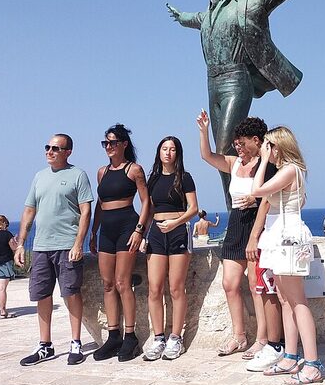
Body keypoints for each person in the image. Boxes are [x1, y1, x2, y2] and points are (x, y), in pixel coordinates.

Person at [167, 0, 325, 209]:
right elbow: (195, 19)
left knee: (226, 147)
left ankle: (248, 204)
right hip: (212, 82)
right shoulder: (212, 11)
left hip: (236, 79)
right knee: (223, 152)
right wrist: (181, 17)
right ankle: (237, 209)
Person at [197, 110, 285, 370]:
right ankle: (239, 336)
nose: (238, 147)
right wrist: (203, 130)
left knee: (256, 284)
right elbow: (207, 156)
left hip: (257, 225)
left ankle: (262, 339)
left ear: (256, 141)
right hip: (236, 223)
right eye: (236, 143)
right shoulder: (234, 163)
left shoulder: (268, 166)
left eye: (242, 143)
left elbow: (268, 199)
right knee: (230, 283)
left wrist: (255, 205)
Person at [15, 133, 93, 366]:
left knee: (71, 293)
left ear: (68, 152)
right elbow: (29, 210)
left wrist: (78, 243)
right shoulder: (39, 176)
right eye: (47, 147)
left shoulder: (78, 175)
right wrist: (21, 243)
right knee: (41, 294)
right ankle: (45, 345)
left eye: (55, 148)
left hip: (67, 245)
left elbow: (85, 211)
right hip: (41, 246)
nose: (49, 151)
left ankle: (75, 343)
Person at [253, 126, 323, 385]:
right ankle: (291, 356)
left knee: (297, 301)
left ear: (278, 146)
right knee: (285, 300)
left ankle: (313, 364)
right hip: (278, 235)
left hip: (287, 237)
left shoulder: (290, 170)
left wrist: (262, 161)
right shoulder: (287, 171)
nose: (265, 150)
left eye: (268, 145)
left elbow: (256, 191)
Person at [89, 124, 149, 362]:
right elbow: (100, 204)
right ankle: (113, 336)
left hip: (127, 227)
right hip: (106, 230)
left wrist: (139, 231)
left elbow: (146, 202)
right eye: (106, 143)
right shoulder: (101, 172)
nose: (109, 146)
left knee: (123, 282)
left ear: (124, 144)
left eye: (113, 142)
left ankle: (130, 336)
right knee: (107, 284)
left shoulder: (134, 170)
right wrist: (93, 231)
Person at [140, 136, 199, 362]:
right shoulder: (153, 179)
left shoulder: (185, 177)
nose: (168, 152)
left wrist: (175, 223)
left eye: (172, 149)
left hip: (178, 231)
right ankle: (158, 338)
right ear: (159, 152)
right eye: (164, 148)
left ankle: (176, 337)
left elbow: (193, 208)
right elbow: (148, 210)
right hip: (156, 233)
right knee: (154, 288)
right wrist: (143, 234)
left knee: (176, 287)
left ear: (178, 153)